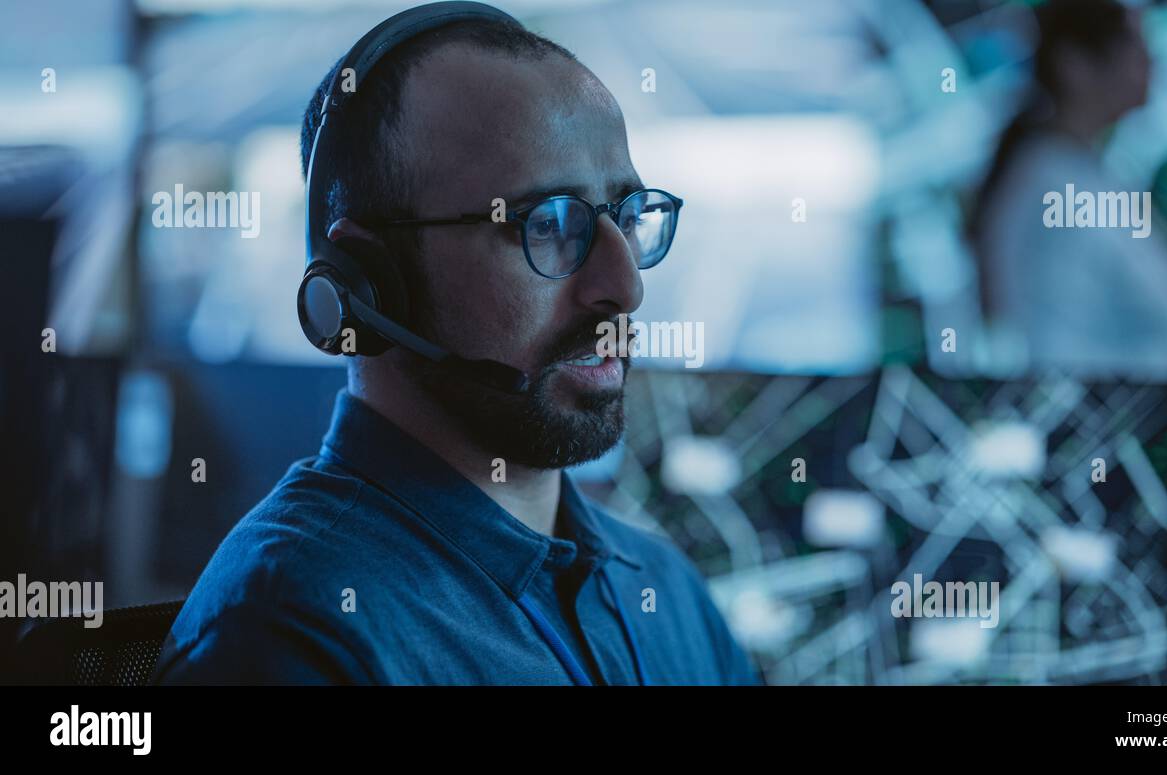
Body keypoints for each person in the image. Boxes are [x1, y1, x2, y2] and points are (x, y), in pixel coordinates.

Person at [151, 3, 760, 685]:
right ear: (368, 285)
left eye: (626, 216)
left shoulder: (667, 592)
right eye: (548, 224)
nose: (624, 287)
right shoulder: (293, 631)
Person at [968, 0, 1167, 378]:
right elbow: (1064, 357)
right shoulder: (1049, 191)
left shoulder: (1085, 171)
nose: (1151, 63)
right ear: (1074, 65)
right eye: (1134, 46)